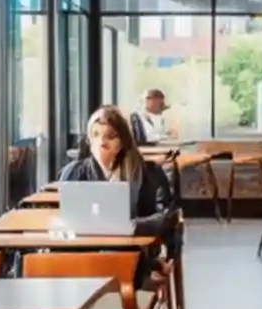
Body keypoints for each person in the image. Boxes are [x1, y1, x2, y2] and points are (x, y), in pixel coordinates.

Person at [60, 105, 180, 288]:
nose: (102, 142)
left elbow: (166, 217)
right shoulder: (73, 173)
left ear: (122, 142)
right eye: (95, 135)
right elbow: (69, 219)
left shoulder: (150, 173)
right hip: (86, 255)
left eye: (110, 136)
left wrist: (132, 227)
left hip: (137, 256)